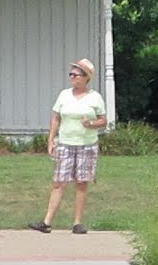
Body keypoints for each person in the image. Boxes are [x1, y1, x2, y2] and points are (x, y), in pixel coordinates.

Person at [28, 58, 107, 234]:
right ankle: (47, 221)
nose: (72, 77)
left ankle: (77, 223)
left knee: (81, 183)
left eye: (76, 74)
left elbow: (103, 120)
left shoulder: (95, 97)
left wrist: (92, 124)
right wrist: (51, 139)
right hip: (65, 143)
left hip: (87, 145)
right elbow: (56, 118)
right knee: (59, 182)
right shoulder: (64, 95)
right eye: (70, 74)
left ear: (86, 78)